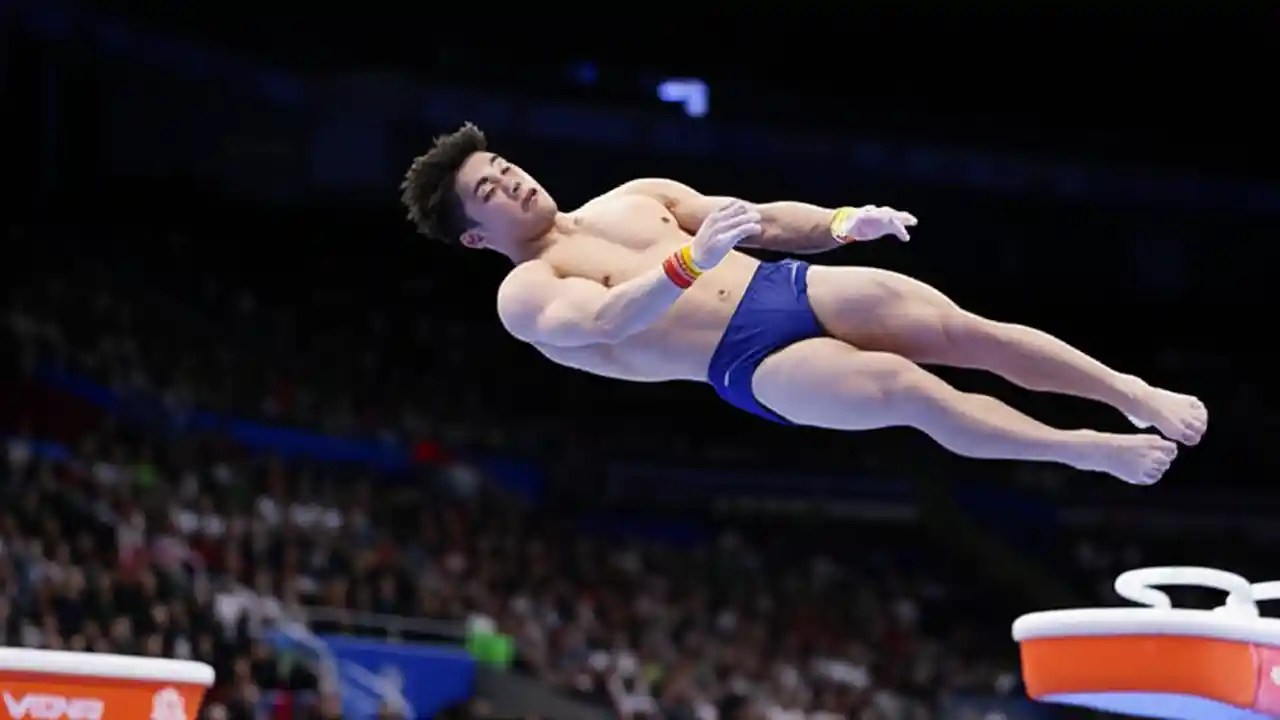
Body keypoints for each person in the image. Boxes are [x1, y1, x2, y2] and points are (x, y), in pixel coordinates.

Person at [399, 123, 1207, 486]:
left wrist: (844, 222)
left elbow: (759, 217)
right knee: (911, 392)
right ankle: (1083, 450)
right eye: (489, 193)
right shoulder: (524, 293)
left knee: (965, 330)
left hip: (784, 285)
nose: (511, 181)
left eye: (502, 166)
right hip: (747, 361)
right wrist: (690, 259)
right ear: (476, 237)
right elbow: (610, 320)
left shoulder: (633, 196)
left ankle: (1132, 393)